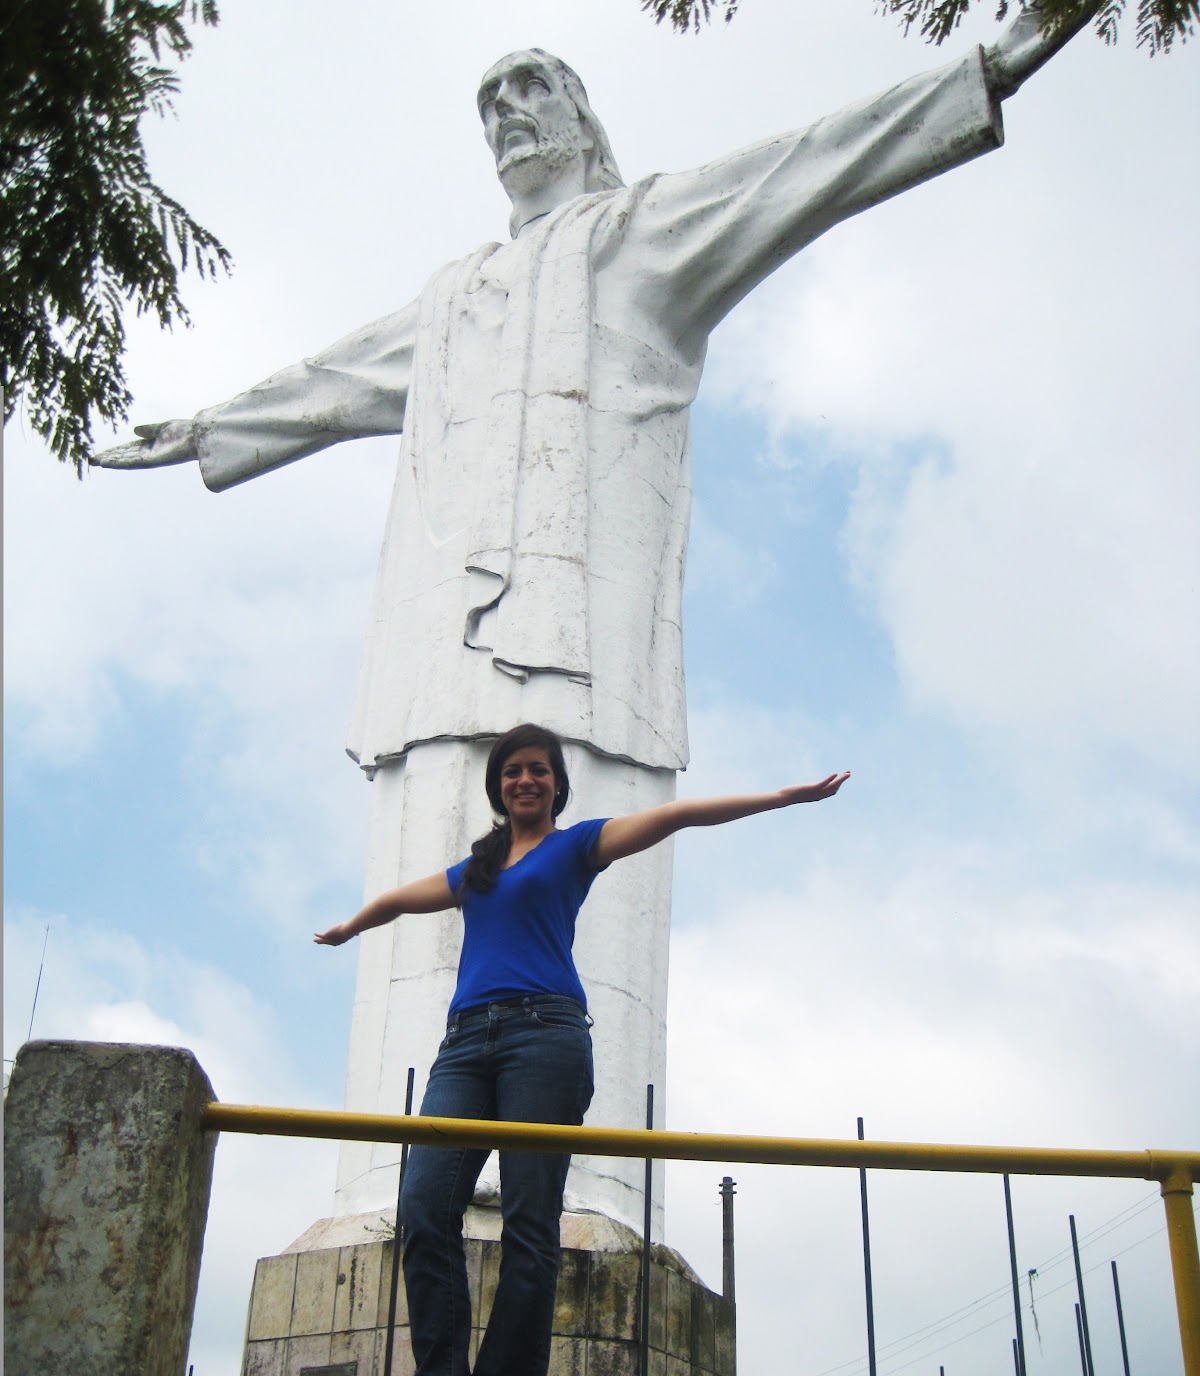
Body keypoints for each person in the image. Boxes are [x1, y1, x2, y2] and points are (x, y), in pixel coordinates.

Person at [95, 8, 1090, 1232]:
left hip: (594, 640)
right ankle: (393, 1216)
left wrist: (986, 72)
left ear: (579, 115)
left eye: (530, 87)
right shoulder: (456, 297)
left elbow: (813, 166)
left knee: (583, 949)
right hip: (440, 650)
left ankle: (570, 1233)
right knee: (425, 946)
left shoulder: (643, 235)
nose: (507, 112)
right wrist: (205, 430)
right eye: (489, 102)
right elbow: (330, 379)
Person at [315, 723, 849, 1376]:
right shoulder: (477, 870)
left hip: (546, 1037)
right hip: (465, 1045)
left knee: (529, 1223)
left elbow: (678, 815)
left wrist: (780, 799)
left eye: (537, 771)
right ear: (498, 788)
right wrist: (354, 925)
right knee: (423, 1206)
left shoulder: (578, 845)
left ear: (556, 784)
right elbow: (405, 897)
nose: (524, 781)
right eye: (512, 773)